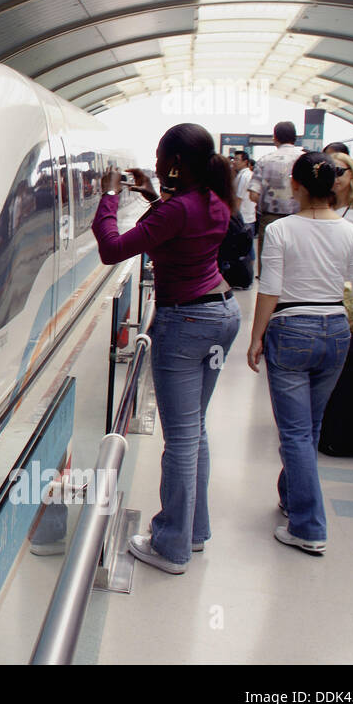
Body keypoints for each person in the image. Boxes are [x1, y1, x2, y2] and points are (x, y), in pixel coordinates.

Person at [94, 123, 241, 574]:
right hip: (224, 313)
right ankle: (194, 532)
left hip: (186, 323)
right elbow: (180, 226)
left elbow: (111, 248)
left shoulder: (177, 210)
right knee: (194, 431)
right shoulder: (216, 199)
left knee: (179, 439)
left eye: (160, 158)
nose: (156, 164)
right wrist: (155, 195)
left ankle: (171, 546)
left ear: (175, 163)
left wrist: (111, 195)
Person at [246, 152, 353, 555]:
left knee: (294, 432)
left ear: (296, 185)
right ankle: (292, 498)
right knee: (310, 426)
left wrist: (256, 337)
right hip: (336, 331)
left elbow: (270, 288)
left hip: (291, 329)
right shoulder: (350, 233)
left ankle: (308, 526)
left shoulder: (281, 231)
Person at [249, 121, 303, 278]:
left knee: (269, 267)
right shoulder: (304, 159)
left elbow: (253, 195)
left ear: (275, 138)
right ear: (295, 138)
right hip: (301, 218)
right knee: (296, 265)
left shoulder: (264, 160)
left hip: (270, 220)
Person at [232, 150, 257, 274]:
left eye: (237, 159)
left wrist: (234, 216)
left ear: (245, 162)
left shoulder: (245, 176)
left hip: (244, 217)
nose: (234, 162)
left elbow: (239, 198)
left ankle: (248, 274)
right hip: (248, 215)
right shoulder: (244, 174)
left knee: (247, 248)